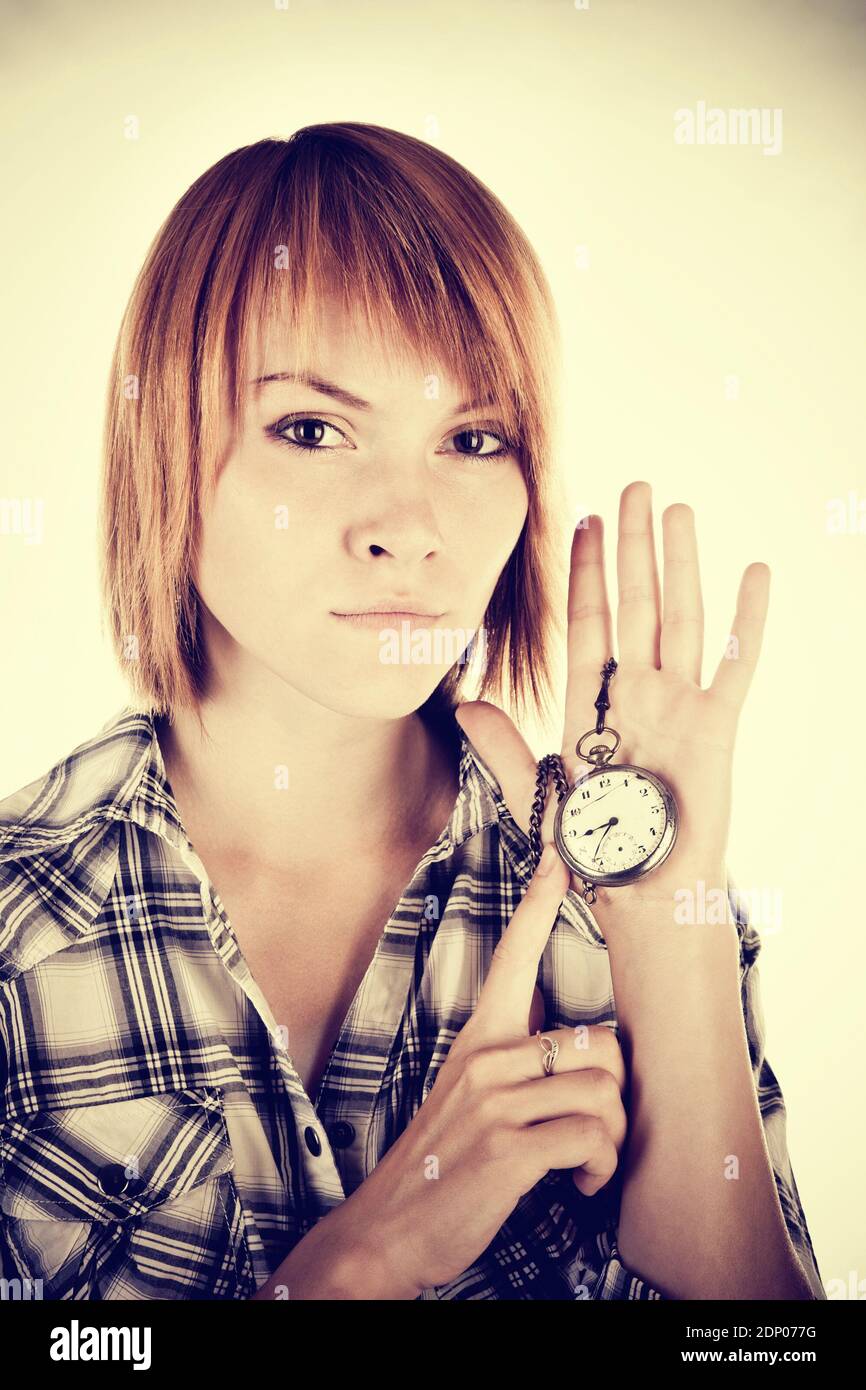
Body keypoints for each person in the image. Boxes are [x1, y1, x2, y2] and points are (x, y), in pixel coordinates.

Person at [0, 123, 823, 1301]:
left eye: (471, 438)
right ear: (164, 453)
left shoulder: (620, 892)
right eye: (313, 428)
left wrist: (668, 932)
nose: (409, 521)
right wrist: (360, 1265)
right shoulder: (21, 932)